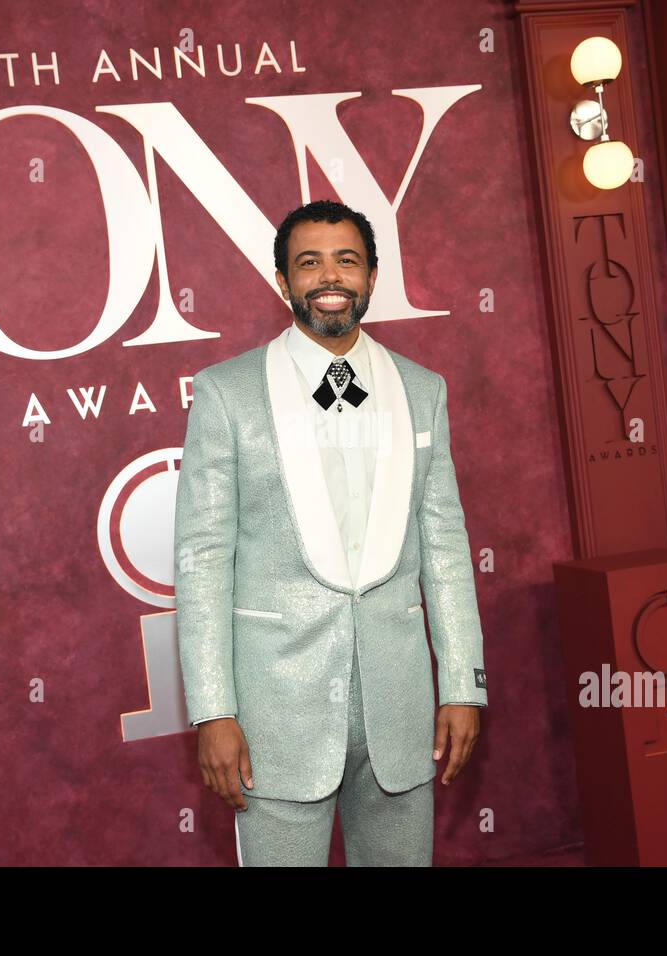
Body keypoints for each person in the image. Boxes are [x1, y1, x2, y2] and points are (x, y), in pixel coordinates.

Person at [174, 199, 488, 866]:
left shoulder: (422, 389)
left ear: (373, 275)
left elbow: (447, 552)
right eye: (308, 262)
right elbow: (202, 561)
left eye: (347, 260)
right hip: (273, 717)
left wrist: (463, 684)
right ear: (284, 282)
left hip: (400, 715)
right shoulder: (227, 393)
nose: (329, 277)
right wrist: (211, 710)